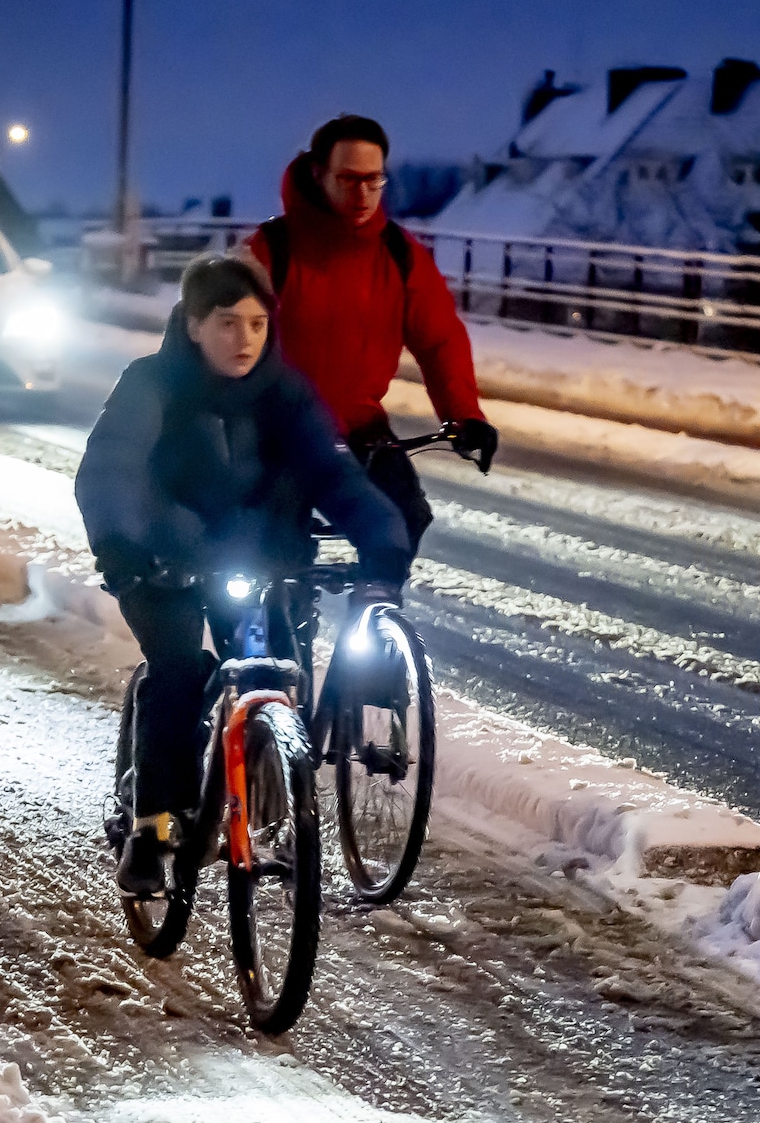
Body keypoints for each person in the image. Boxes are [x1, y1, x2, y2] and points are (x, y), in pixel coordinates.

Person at [76, 255, 411, 897]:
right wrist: (121, 545)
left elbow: (333, 474)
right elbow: (111, 469)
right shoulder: (152, 384)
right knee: (179, 670)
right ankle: (151, 825)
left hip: (259, 562)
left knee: (276, 674)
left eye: (257, 323)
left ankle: (269, 800)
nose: (246, 340)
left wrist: (381, 543)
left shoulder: (286, 394)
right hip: (160, 562)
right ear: (194, 325)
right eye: (228, 323)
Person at [245, 114, 498, 554]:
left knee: (405, 520)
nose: (362, 194)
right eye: (347, 179)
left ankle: (373, 608)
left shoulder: (400, 255)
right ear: (318, 174)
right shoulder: (270, 251)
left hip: (360, 431)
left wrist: (464, 416)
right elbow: (218, 339)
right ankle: (283, 610)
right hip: (277, 432)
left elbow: (439, 340)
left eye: (374, 180)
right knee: (275, 545)